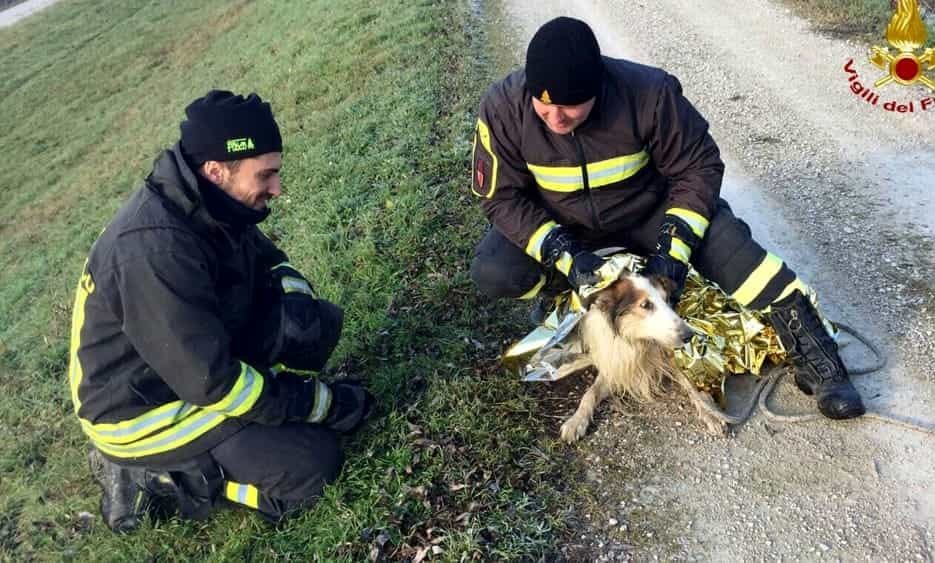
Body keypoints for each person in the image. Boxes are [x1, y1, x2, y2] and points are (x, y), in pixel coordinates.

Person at [469, 17, 864, 420]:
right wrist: (562, 252)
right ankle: (565, 298)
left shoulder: (649, 92)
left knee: (740, 257)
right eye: (545, 104)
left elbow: (699, 167)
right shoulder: (502, 106)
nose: (556, 118)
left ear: (599, 86)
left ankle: (818, 358)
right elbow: (500, 198)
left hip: (648, 212)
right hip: (566, 225)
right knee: (495, 270)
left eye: (570, 105)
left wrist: (673, 251)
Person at [67, 90, 373, 532]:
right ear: (216, 170)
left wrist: (298, 304)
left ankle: (245, 435)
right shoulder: (154, 251)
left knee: (315, 329)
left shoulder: (208, 201)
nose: (277, 189)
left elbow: (268, 259)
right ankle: (164, 482)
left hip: (188, 363)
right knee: (310, 466)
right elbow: (217, 385)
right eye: (266, 176)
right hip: (142, 408)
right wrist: (318, 403)